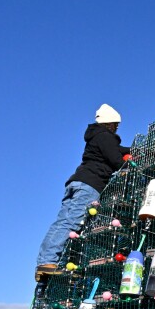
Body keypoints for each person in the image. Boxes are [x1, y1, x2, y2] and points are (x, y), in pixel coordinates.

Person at [35, 104, 131, 281]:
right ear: (111, 124)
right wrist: (129, 163)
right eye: (116, 125)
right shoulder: (105, 136)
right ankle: (48, 262)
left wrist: (130, 150)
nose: (117, 128)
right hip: (89, 185)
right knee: (72, 222)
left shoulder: (96, 137)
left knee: (62, 221)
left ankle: (45, 261)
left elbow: (117, 150)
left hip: (77, 182)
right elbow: (116, 160)